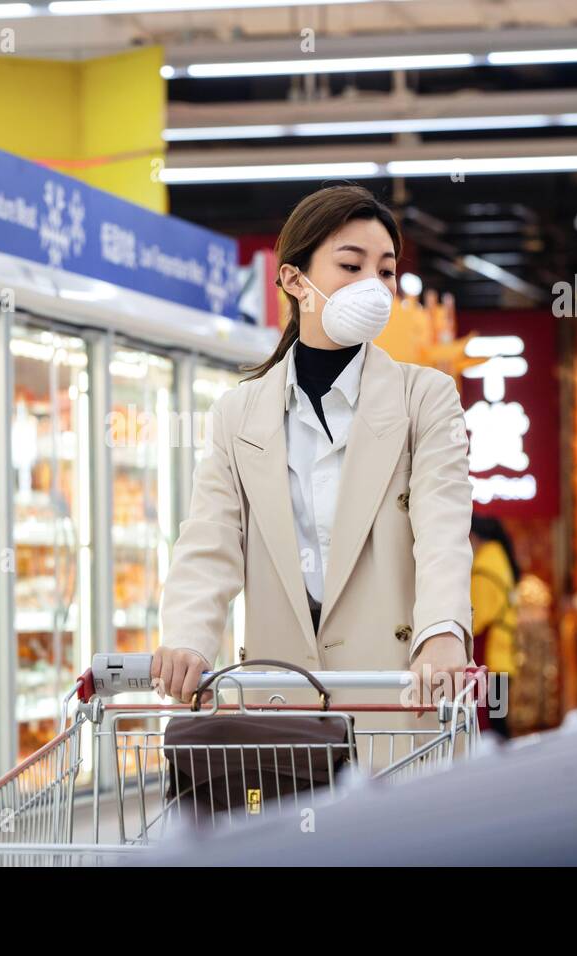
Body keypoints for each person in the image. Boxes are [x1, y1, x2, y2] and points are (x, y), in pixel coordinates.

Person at [152, 183, 474, 719]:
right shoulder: (240, 414)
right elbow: (210, 541)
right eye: (351, 266)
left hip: (398, 694)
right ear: (294, 280)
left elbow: (443, 526)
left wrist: (441, 631)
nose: (373, 285)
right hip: (282, 701)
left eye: (386, 271)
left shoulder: (425, 398)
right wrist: (186, 638)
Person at [468, 515, 521, 737]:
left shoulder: (483, 569)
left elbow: (476, 622)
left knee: (493, 728)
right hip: (502, 658)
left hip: (490, 660)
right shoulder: (499, 563)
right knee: (499, 720)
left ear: (475, 537)